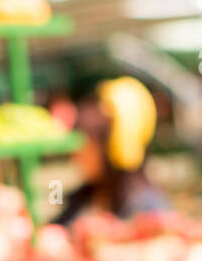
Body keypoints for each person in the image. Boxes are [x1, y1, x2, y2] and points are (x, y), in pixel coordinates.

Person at [52, 91, 168, 227]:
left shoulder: (147, 207)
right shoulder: (85, 198)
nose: (75, 156)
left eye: (84, 148)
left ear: (106, 147)